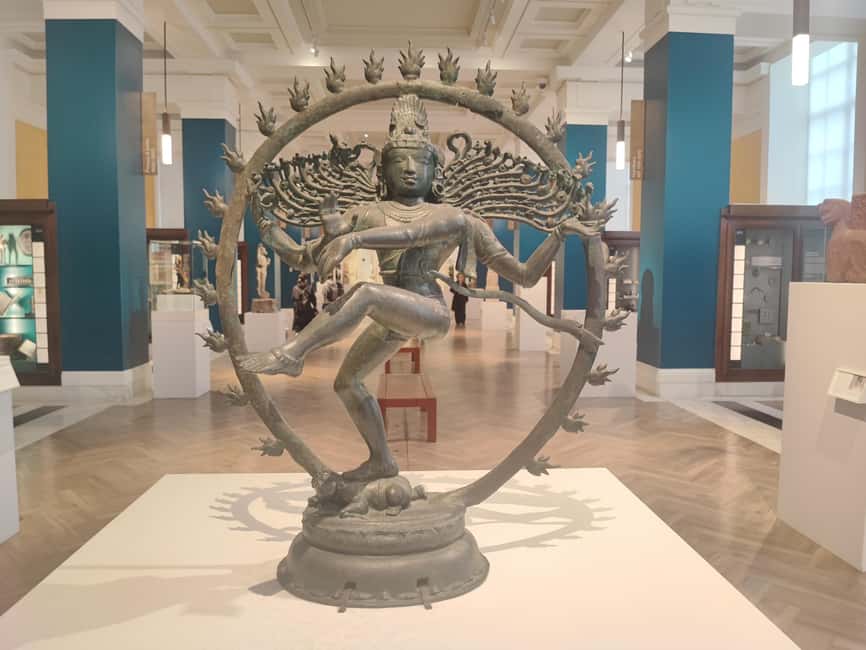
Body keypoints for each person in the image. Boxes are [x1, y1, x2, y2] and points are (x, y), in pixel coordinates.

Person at [241, 94, 586, 482]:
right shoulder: (367, 213)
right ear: (383, 171)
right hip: (391, 314)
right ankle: (381, 460)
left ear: (435, 171)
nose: (408, 169)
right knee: (347, 382)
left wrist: (558, 235)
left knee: (367, 293)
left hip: (428, 309)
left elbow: (523, 274)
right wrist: (267, 227)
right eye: (398, 161)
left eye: (419, 161)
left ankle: (292, 354)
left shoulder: (455, 218)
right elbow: (305, 259)